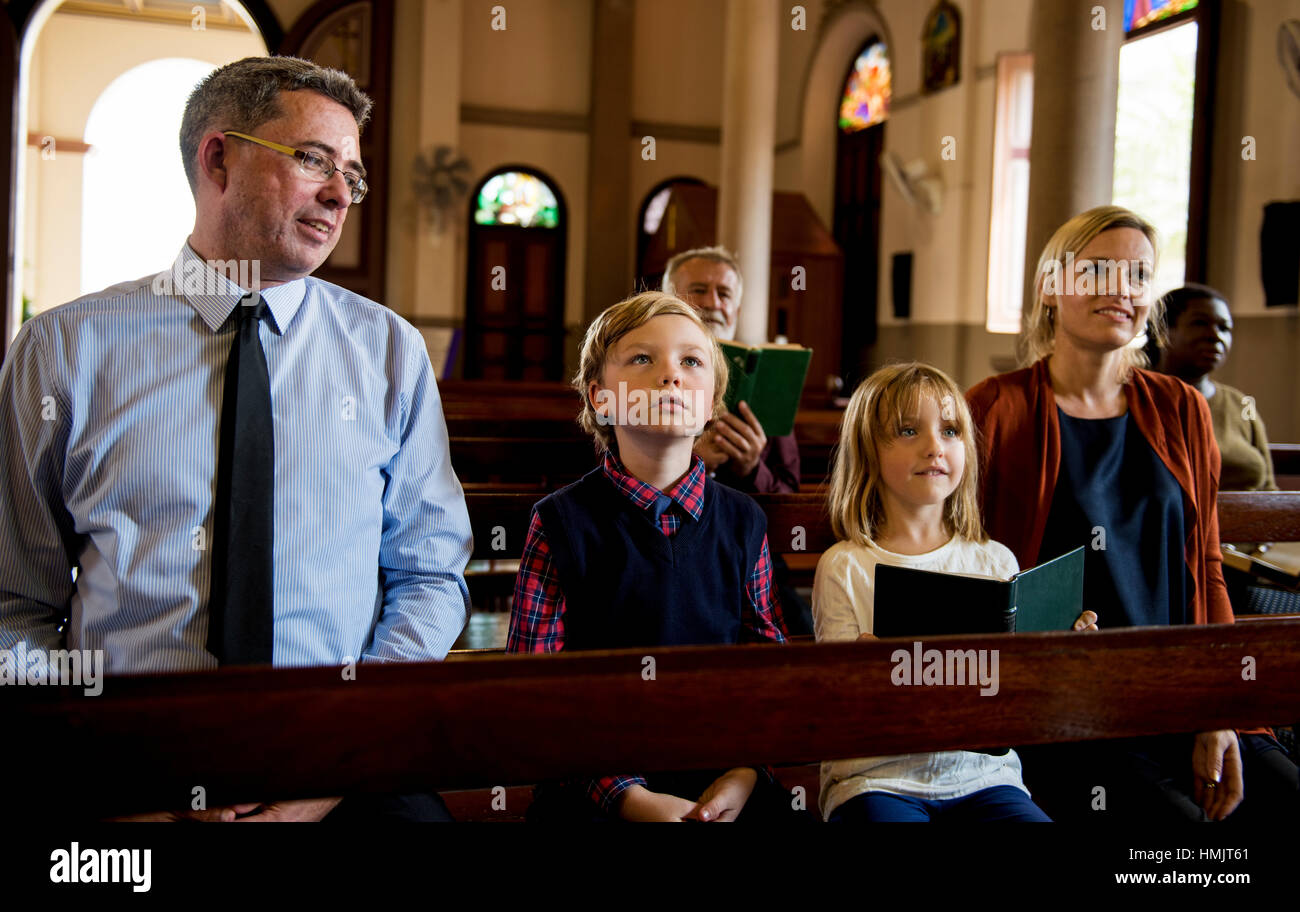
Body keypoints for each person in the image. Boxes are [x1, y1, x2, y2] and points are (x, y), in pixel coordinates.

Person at [0, 57, 473, 821]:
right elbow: (11, 604)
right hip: (125, 760)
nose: (337, 193)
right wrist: (102, 762)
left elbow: (429, 578)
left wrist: (341, 756)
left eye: (351, 174)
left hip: (336, 757)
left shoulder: (388, 352)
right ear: (218, 157)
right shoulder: (64, 349)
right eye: (313, 159)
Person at [967, 204, 1299, 822]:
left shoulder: (1180, 408)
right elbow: (963, 566)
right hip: (1069, 707)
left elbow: (1208, 566)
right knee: (1184, 842)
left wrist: (1219, 708)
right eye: (1097, 271)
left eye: (1138, 275)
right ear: (1051, 287)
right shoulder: (996, 408)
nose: (1120, 289)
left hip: (1183, 692)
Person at [507, 291, 794, 822]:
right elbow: (535, 694)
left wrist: (744, 774)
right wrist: (627, 797)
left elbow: (768, 676)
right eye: (643, 359)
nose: (671, 376)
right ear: (601, 397)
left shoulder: (743, 521)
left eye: (691, 361)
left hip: (727, 781)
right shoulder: (560, 523)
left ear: (710, 404)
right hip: (594, 784)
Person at [813, 362, 1094, 822]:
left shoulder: (995, 562)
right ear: (868, 452)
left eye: (949, 430)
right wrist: (870, 671)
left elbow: (1023, 690)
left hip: (985, 776)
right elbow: (839, 706)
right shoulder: (846, 566)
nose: (934, 447)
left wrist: (1062, 651)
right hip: (879, 779)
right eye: (908, 431)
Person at [662, 246, 813, 635]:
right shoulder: (645, 373)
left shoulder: (766, 383)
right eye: (699, 290)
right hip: (660, 546)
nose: (713, 303)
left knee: (801, 638)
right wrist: (694, 460)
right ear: (667, 301)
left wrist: (752, 468)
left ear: (738, 310)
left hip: (748, 553)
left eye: (724, 294)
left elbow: (789, 499)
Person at [1151, 284, 1276, 492]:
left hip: (1253, 521)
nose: (1215, 335)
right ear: (1163, 330)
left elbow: (1270, 489)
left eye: (1224, 328)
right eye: (1200, 323)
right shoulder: (1137, 397)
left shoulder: (1240, 403)